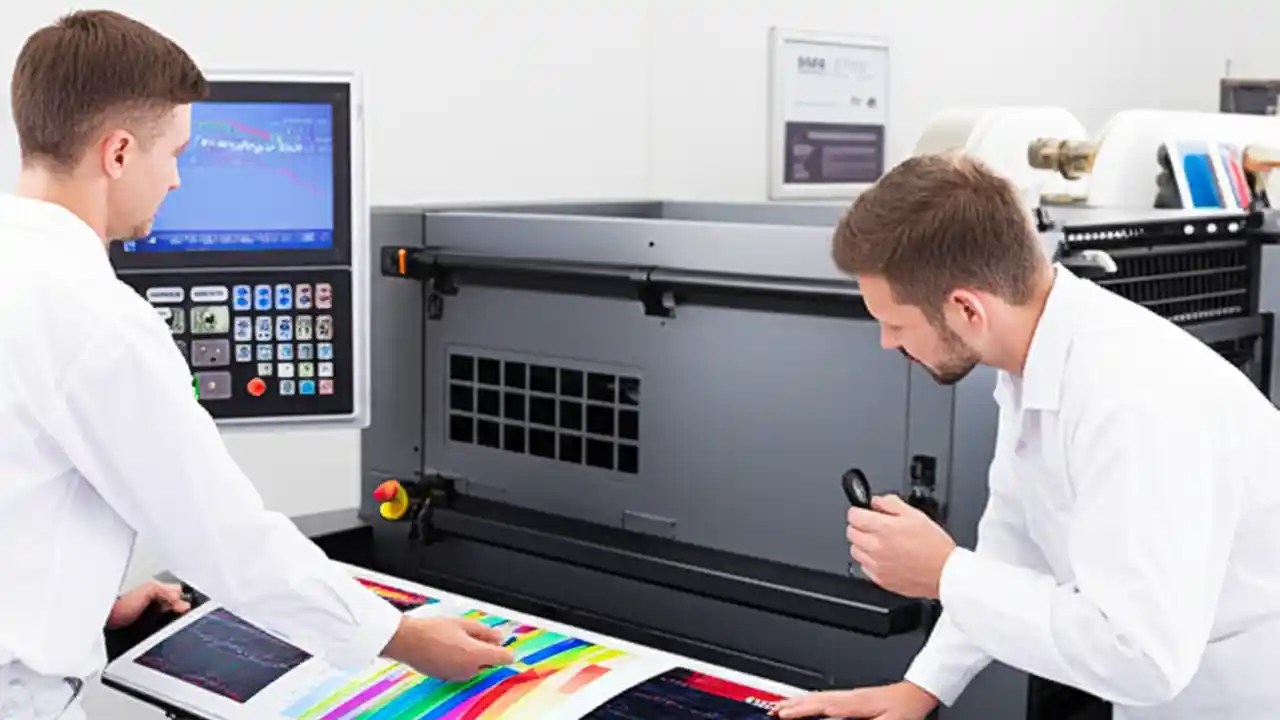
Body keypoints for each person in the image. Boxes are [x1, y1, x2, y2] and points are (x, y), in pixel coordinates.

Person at [0, 10, 512, 719]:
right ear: (118, 153)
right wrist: (404, 638)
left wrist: (77, 600)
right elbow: (220, 535)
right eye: (174, 153)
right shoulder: (97, 318)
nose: (176, 181)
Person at [772, 152, 1280, 719]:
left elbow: (1142, 656)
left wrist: (943, 572)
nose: (887, 343)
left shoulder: (1130, 398)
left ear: (966, 309)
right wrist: (921, 688)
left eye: (895, 323)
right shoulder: (1035, 361)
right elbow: (1016, 546)